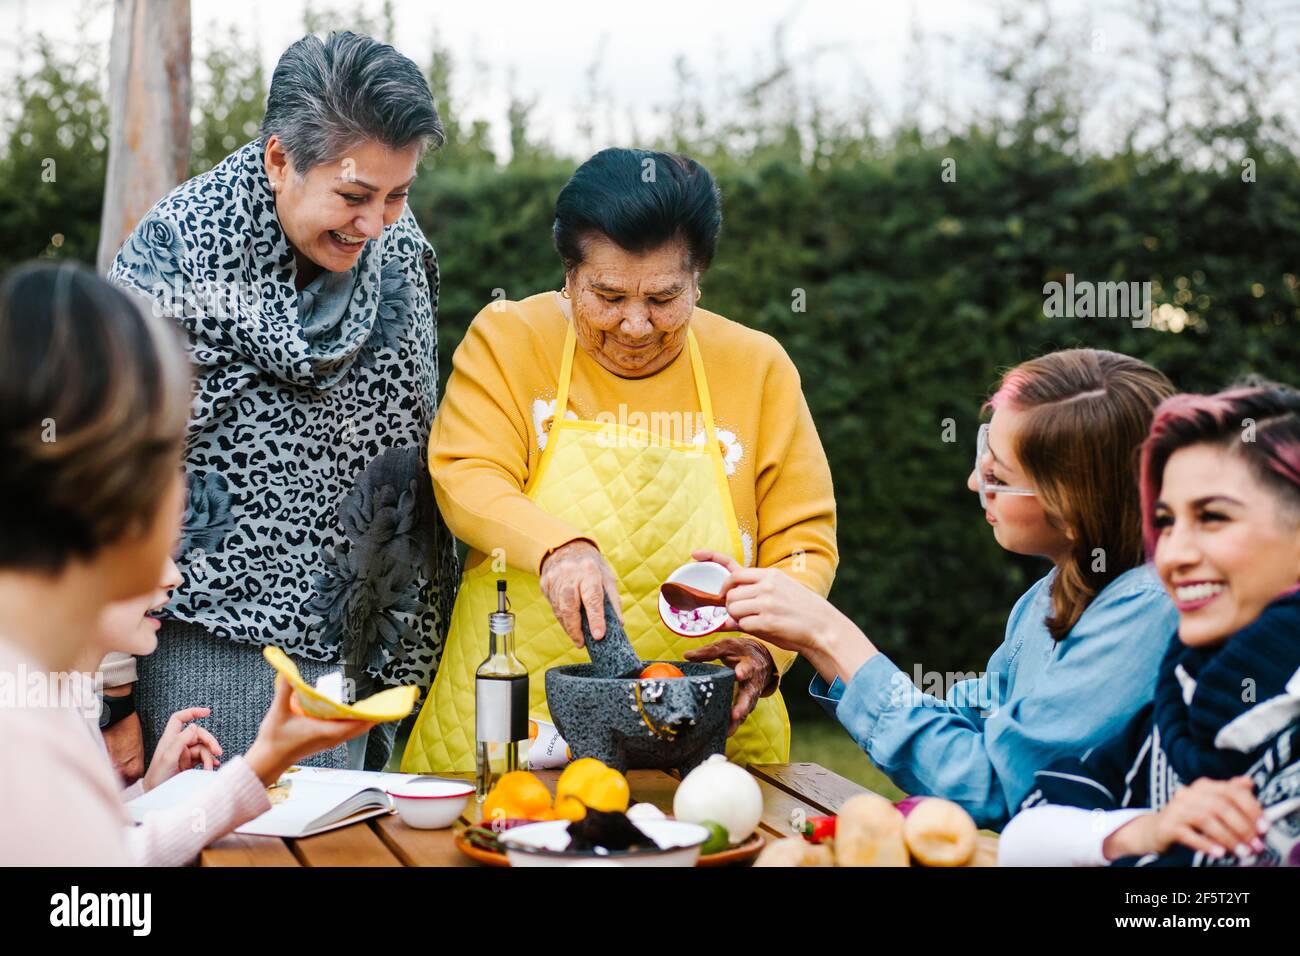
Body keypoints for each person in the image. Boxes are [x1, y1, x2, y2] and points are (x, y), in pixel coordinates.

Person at [402, 147, 838, 772]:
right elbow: (465, 476)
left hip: (709, 735)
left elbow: (804, 540)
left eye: (664, 299)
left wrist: (769, 648)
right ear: (569, 276)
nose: (635, 325)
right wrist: (558, 547)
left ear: (698, 280)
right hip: (519, 724)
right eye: (606, 295)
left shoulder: (757, 367)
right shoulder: (510, 339)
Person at [106, 31, 458, 773]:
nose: (376, 225)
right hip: (206, 640)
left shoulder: (398, 249)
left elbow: (414, 445)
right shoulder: (179, 256)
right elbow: (103, 485)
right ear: (279, 161)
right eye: (355, 196)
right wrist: (111, 700)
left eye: (399, 195)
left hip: (361, 645)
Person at [696, 349, 1179, 828]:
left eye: (997, 476)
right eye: (981, 454)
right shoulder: (1051, 596)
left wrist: (831, 634)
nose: (974, 481)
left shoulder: (1146, 612)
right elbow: (968, 731)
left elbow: (988, 783)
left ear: (1075, 500)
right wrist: (810, 638)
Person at [0, 262, 372, 865]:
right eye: (174, 454)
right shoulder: (22, 735)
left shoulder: (42, 690)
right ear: (111, 481)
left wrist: (262, 763)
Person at [1000, 383, 1300, 866]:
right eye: (1166, 522)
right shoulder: (1180, 707)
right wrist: (1143, 829)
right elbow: (1024, 835)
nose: (1173, 555)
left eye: (1213, 517)